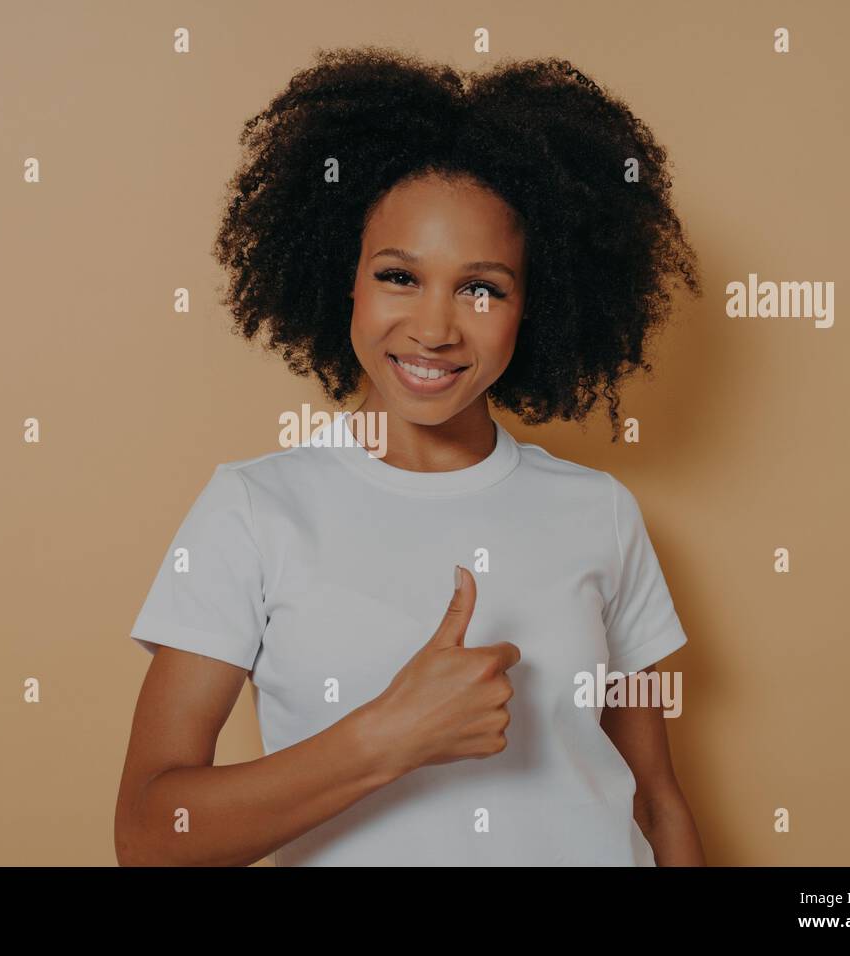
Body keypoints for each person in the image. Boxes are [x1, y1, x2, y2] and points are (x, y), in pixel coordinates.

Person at [114, 46, 705, 866]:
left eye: (482, 288)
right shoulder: (252, 510)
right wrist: (387, 737)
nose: (434, 329)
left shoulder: (600, 510)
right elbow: (149, 833)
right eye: (399, 275)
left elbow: (655, 802)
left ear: (535, 306)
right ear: (343, 280)